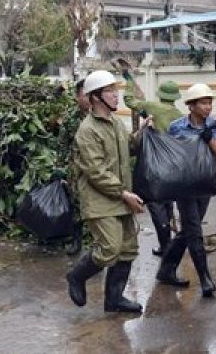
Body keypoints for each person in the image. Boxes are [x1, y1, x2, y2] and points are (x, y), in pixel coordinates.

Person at [66, 70, 147, 313]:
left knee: (128, 249)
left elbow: (129, 147)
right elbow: (96, 171)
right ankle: (76, 276)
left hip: (121, 196)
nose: (116, 95)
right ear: (95, 97)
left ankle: (114, 300)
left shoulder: (116, 123)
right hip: (100, 199)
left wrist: (144, 132)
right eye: (110, 91)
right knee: (110, 248)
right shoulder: (87, 130)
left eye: (115, 89)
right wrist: (124, 194)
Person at [157, 83, 216, 298]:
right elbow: (171, 154)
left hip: (204, 183)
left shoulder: (213, 125)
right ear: (191, 106)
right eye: (203, 103)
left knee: (188, 229)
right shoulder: (176, 127)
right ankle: (205, 278)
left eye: (209, 103)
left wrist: (208, 138)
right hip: (183, 185)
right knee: (194, 229)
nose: (208, 107)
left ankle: (166, 269)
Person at [127, 80, 184, 256]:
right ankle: (168, 242)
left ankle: (165, 246)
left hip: (154, 166)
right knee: (167, 201)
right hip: (172, 166)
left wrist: (128, 80)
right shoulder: (179, 115)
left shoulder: (153, 107)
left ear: (160, 95)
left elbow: (129, 101)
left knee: (156, 203)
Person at [60, 77, 92, 256]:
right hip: (76, 170)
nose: (87, 98)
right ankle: (77, 241)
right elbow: (62, 145)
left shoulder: (98, 116)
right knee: (76, 206)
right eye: (84, 95)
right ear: (77, 97)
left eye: (90, 94)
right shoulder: (70, 119)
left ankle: (98, 242)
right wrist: (61, 170)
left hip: (95, 167)